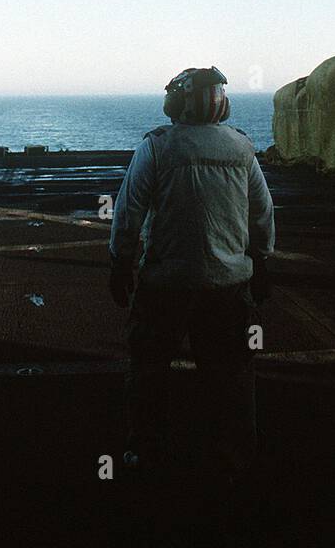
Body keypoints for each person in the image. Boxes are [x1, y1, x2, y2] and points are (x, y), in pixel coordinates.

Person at [108, 66, 275, 477]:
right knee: (232, 377)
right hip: (229, 284)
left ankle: (145, 452)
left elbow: (128, 212)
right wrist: (263, 262)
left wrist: (120, 261)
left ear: (180, 101)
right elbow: (263, 215)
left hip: (165, 284)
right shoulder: (242, 148)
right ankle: (234, 459)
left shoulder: (158, 147)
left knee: (148, 370)